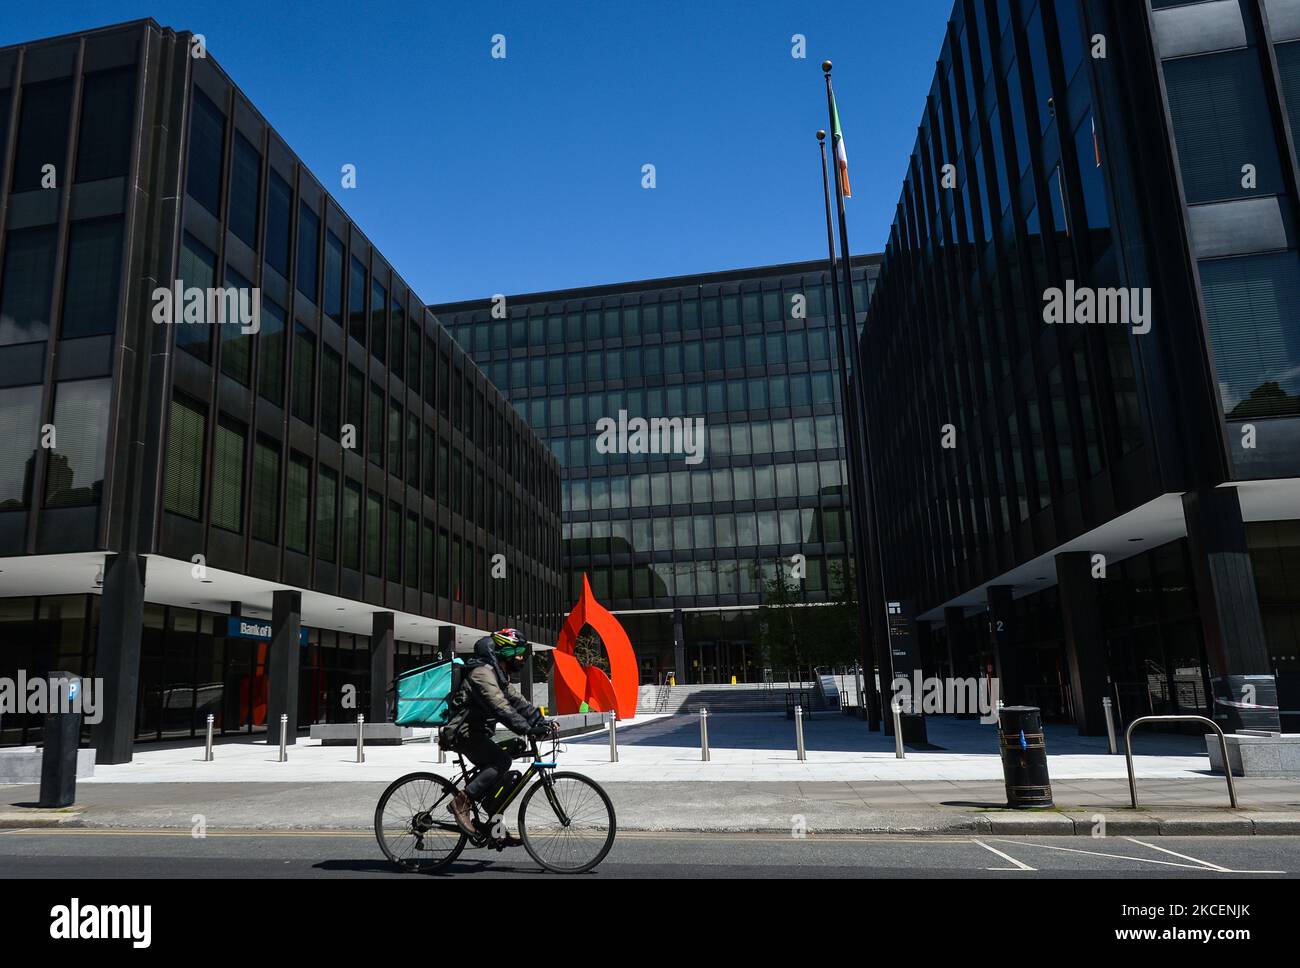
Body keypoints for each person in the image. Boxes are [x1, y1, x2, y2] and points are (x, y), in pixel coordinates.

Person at [441, 628, 558, 836]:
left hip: (477, 732)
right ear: (505, 651)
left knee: (516, 748)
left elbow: (519, 703)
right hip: (463, 732)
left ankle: (495, 831)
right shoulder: (482, 673)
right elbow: (500, 707)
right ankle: (461, 802)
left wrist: (542, 722)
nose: (522, 657)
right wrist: (527, 728)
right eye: (519, 651)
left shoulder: (497, 674)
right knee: (502, 761)